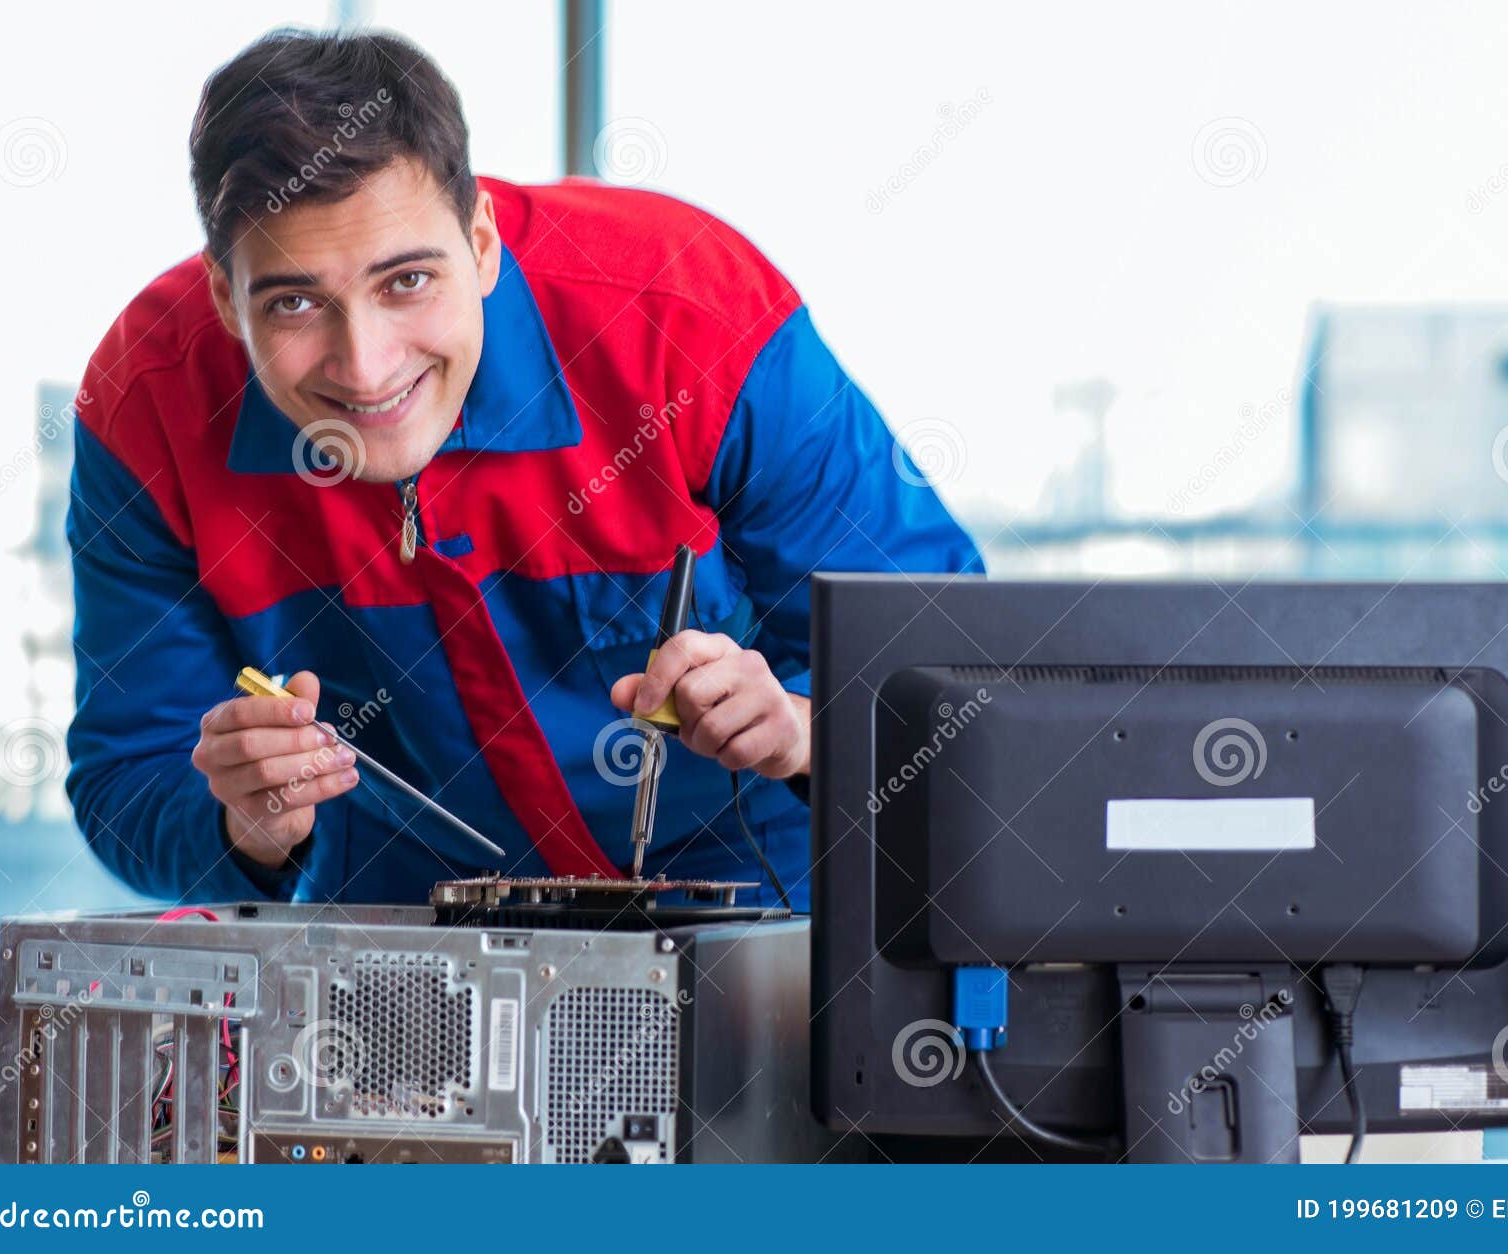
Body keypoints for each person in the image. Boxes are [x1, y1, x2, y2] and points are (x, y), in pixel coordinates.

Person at [64, 28, 982, 908]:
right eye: (297, 301)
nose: (367, 364)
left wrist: (804, 727)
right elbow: (126, 779)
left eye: (407, 281)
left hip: (761, 923)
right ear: (227, 297)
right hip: (407, 965)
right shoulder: (147, 404)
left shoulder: (692, 314)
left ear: (483, 242)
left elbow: (953, 683)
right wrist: (245, 823)